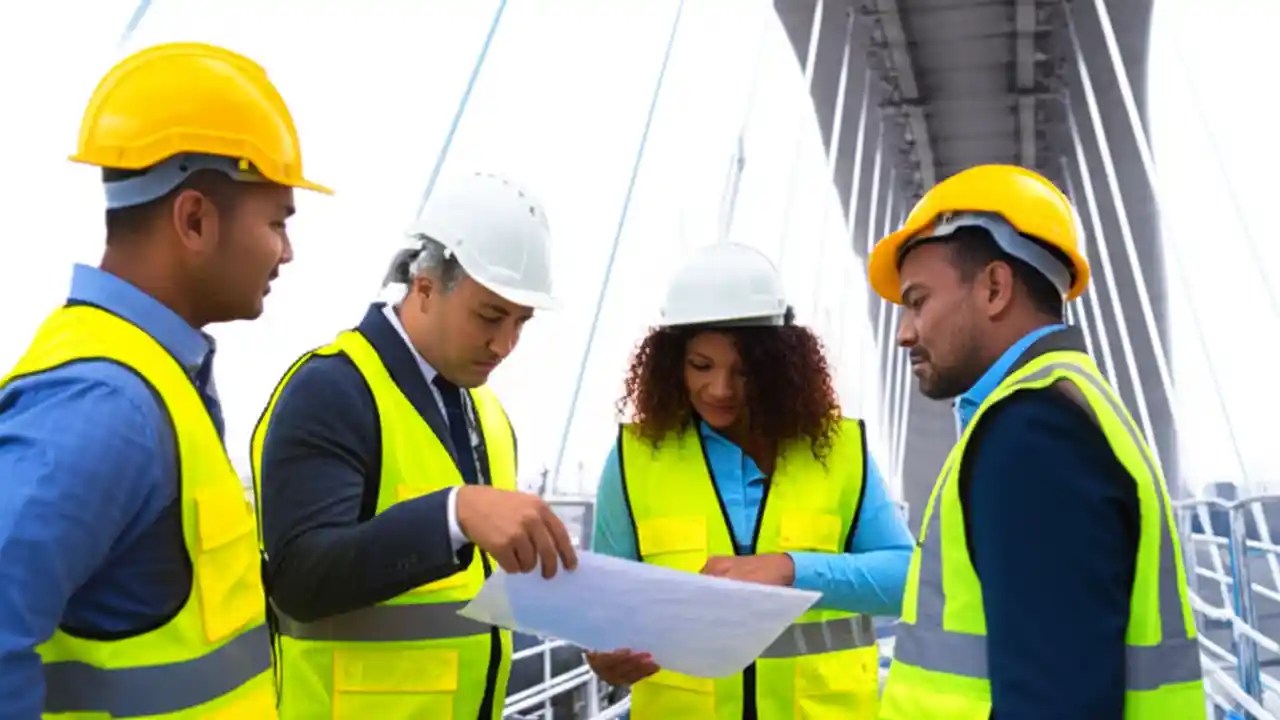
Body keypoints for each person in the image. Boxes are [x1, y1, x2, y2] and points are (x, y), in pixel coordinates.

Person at [0, 42, 330, 718]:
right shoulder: (108, 406)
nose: (287, 251)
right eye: (276, 222)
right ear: (195, 220)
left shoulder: (150, 382)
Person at [870, 164, 1206, 719]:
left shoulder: (1031, 435)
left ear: (995, 289)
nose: (905, 332)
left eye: (918, 300)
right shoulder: (1066, 406)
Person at [251, 171, 579, 718]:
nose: (505, 345)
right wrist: (455, 512)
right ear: (424, 287)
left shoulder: (490, 415)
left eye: (522, 322)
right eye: (490, 316)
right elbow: (300, 579)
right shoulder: (332, 390)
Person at [587, 242, 913, 719]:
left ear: (779, 367)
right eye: (701, 366)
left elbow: (907, 578)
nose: (720, 389)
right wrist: (603, 656)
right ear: (671, 363)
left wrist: (790, 569)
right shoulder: (634, 459)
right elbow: (604, 608)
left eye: (744, 372)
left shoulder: (842, 450)